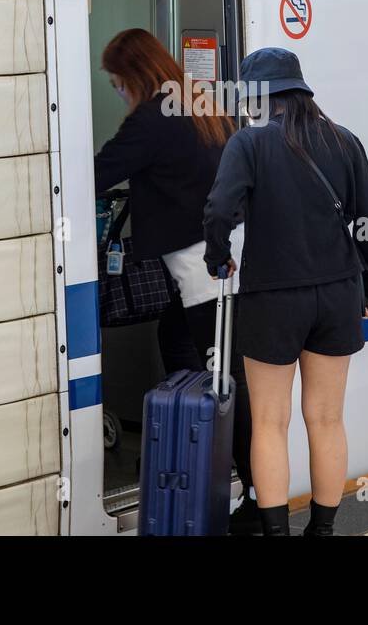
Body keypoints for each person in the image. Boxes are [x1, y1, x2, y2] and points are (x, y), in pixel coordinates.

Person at [204, 48, 368, 537]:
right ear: (300, 91)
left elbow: (219, 209)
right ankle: (322, 530)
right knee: (326, 418)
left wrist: (216, 255)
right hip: (337, 295)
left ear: (259, 97)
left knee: (269, 421)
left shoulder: (248, 145)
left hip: (273, 298)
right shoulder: (345, 141)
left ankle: (276, 533)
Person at [93, 28, 259, 533]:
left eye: (118, 84)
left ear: (135, 77)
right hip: (234, 254)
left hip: (204, 271)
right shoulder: (198, 100)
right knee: (180, 342)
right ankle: (204, 460)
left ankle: (253, 495)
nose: (118, 93)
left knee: (227, 381)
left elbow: (95, 173)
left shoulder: (149, 120)